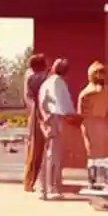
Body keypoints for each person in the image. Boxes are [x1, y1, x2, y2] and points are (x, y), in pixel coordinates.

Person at [37, 58, 78, 200]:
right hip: (55, 119)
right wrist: (73, 114)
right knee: (53, 156)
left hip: (47, 118)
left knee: (47, 154)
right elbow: (63, 102)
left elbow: (42, 102)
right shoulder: (58, 83)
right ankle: (51, 187)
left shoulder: (47, 82)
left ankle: (44, 188)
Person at [77, 61, 108, 159]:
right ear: (91, 75)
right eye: (97, 73)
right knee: (93, 155)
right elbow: (81, 115)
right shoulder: (86, 94)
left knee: (104, 156)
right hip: (91, 126)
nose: (100, 75)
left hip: (106, 126)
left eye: (102, 73)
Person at [21, 53, 49, 193]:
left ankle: (29, 181)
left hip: (33, 113)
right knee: (37, 149)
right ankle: (30, 181)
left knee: (32, 149)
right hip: (39, 113)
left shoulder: (29, 75)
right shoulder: (38, 77)